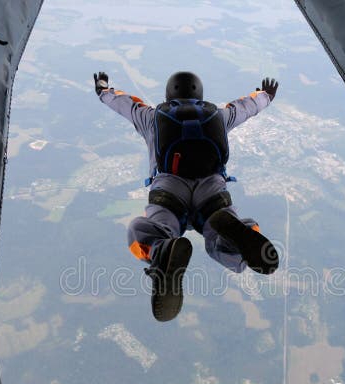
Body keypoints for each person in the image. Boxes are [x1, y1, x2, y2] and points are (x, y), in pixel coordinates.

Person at [94, 70, 279, 321]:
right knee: (219, 238)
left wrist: (104, 90)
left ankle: (162, 249)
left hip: (169, 191)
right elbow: (244, 108)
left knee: (144, 230)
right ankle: (241, 238)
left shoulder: (152, 116)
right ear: (200, 94)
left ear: (168, 94)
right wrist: (265, 96)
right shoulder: (218, 115)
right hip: (212, 190)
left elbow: (125, 104)